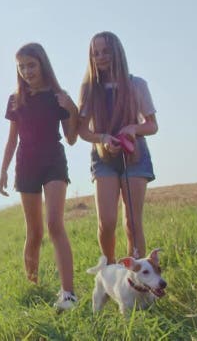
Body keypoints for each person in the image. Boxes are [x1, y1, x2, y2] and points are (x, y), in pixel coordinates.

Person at [0, 43, 79, 310]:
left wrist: (72, 108)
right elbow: (11, 140)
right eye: (21, 67)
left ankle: (68, 293)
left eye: (31, 65)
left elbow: (71, 138)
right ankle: (32, 287)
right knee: (34, 232)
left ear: (42, 63)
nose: (26, 71)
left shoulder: (58, 96)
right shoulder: (15, 99)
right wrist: (3, 170)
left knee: (55, 223)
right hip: (26, 165)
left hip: (54, 163)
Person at [78, 31, 158, 264]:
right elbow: (83, 131)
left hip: (135, 156)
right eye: (96, 53)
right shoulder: (90, 89)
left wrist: (134, 128)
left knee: (132, 222)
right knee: (107, 222)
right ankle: (110, 269)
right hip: (103, 160)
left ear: (117, 53)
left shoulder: (137, 85)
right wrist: (103, 138)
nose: (101, 57)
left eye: (106, 51)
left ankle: (139, 279)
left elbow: (152, 125)